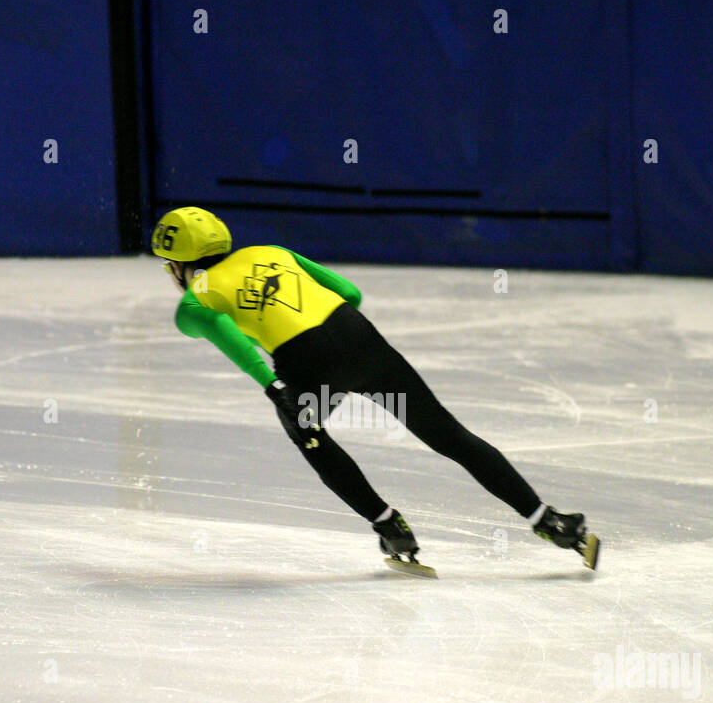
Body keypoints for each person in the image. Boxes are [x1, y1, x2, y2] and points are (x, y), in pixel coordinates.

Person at [155, 206, 597, 569]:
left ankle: (389, 525)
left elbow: (228, 336)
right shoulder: (272, 252)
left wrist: (276, 389)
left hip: (308, 366)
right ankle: (548, 519)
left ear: (177, 264)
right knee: (447, 435)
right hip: (361, 340)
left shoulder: (194, 301)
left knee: (307, 433)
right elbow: (350, 291)